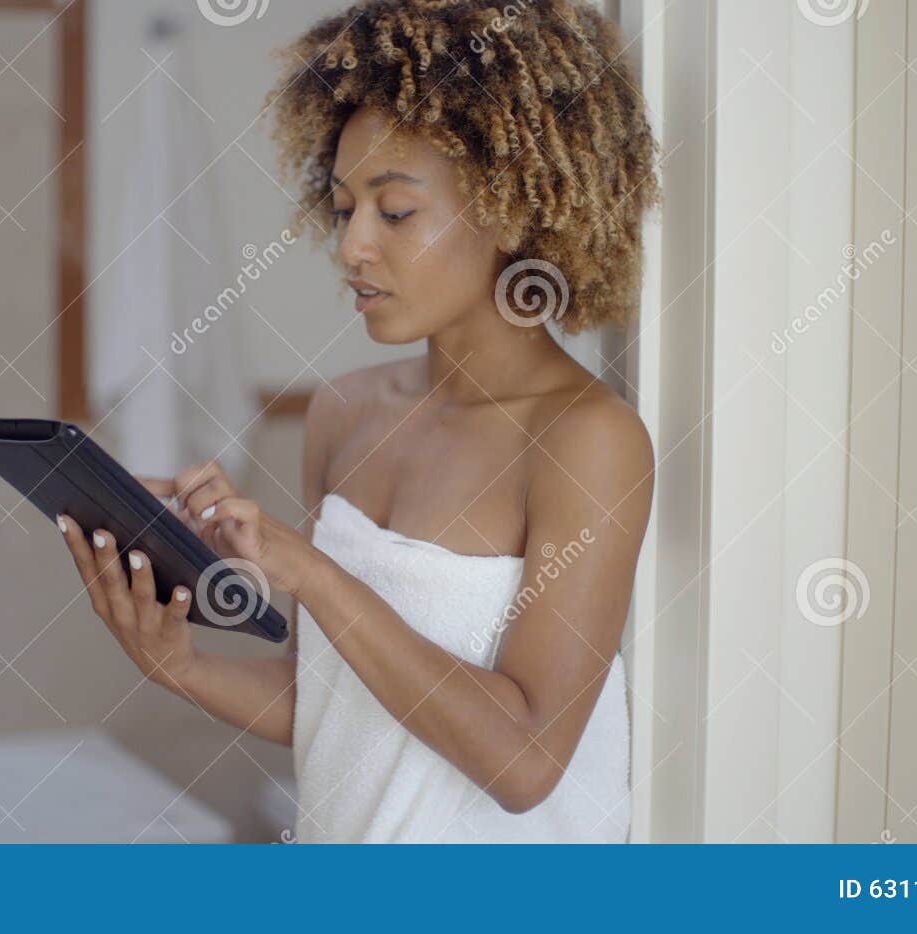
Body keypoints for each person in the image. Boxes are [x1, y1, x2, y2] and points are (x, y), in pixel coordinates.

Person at [59, 0, 660, 843]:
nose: (351, 247)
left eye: (396, 211)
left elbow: (524, 761)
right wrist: (180, 666)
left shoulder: (587, 439)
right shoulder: (345, 411)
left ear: (513, 206)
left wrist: (312, 572)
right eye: (344, 209)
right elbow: (330, 701)